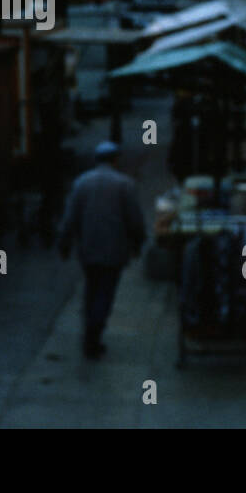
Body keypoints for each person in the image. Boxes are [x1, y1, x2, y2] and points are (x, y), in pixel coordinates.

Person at [58, 140, 146, 359]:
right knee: (105, 293)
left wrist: (65, 243)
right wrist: (138, 243)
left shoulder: (82, 183)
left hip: (88, 248)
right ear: (115, 159)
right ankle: (94, 336)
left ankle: (90, 332)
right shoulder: (124, 184)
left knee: (91, 290)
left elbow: (70, 218)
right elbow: (135, 219)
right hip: (114, 250)